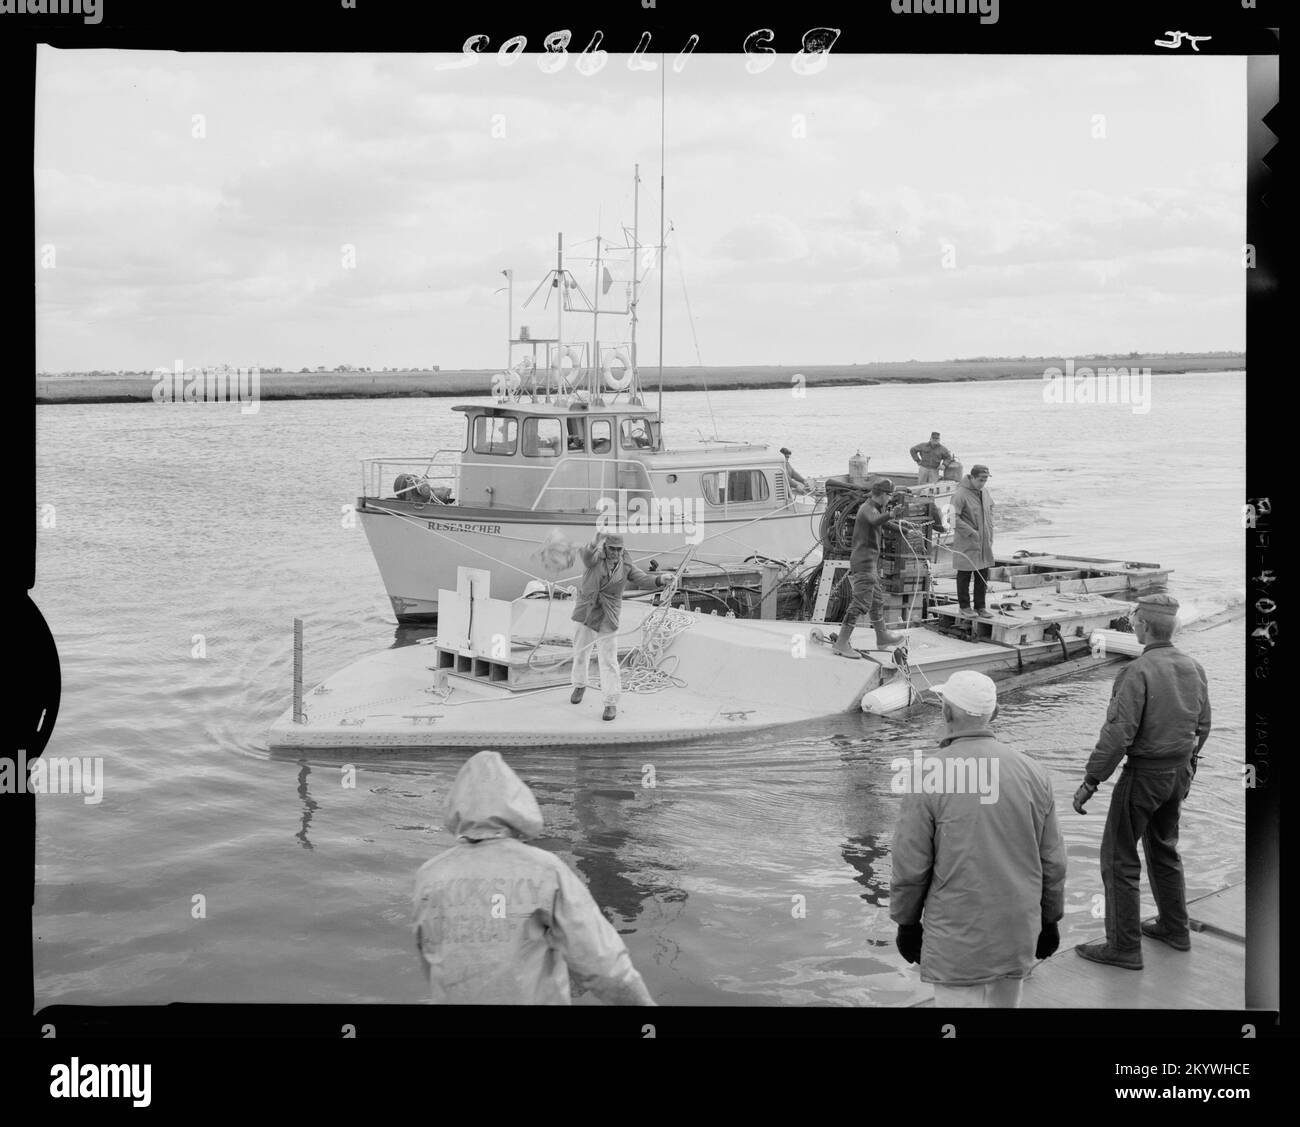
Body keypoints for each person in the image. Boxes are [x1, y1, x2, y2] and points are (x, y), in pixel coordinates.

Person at [412, 750, 656, 1005]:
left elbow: (430, 961)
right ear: (518, 803)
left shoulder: (429, 875)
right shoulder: (545, 870)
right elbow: (602, 964)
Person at [891, 671, 1067, 1007]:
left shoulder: (927, 775)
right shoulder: (1032, 772)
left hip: (957, 938)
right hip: (1017, 930)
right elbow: (1053, 861)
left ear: (944, 713)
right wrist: (1050, 918)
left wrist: (907, 922)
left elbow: (910, 866)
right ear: (995, 715)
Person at [1071, 594, 1212, 970]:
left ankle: (1124, 946)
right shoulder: (1193, 666)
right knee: (1164, 848)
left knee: (1118, 858)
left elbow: (1118, 734)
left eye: (1133, 620)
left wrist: (1091, 779)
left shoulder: (1137, 671)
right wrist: (1188, 766)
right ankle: (1174, 927)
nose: (1131, 625)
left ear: (1145, 627)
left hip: (1146, 775)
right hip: (1179, 771)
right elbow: (1203, 726)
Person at [570, 529, 667, 720]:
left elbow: (643, 579)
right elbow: (586, 555)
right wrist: (594, 540)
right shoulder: (595, 558)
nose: (615, 553)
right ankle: (579, 684)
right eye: (612, 549)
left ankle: (610, 702)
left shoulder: (626, 565)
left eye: (618, 549)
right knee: (580, 652)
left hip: (608, 614)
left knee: (609, 660)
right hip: (587, 610)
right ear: (605, 548)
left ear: (623, 549)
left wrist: (661, 579)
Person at [830, 479, 905, 659]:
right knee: (860, 604)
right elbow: (876, 520)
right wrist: (891, 514)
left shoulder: (872, 508)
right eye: (890, 495)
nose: (890, 499)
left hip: (870, 564)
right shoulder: (867, 509)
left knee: (877, 600)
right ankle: (841, 643)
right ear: (883, 494)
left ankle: (882, 636)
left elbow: (880, 523)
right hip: (863, 564)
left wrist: (905, 530)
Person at [951, 464, 995, 618]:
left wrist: (990, 533)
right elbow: (951, 519)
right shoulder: (960, 494)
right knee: (964, 573)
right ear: (973, 477)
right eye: (981, 480)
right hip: (967, 541)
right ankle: (964, 606)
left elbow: (991, 510)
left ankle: (980, 606)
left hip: (984, 541)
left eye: (985, 480)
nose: (983, 483)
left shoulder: (985, 492)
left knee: (982, 573)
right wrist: (970, 532)